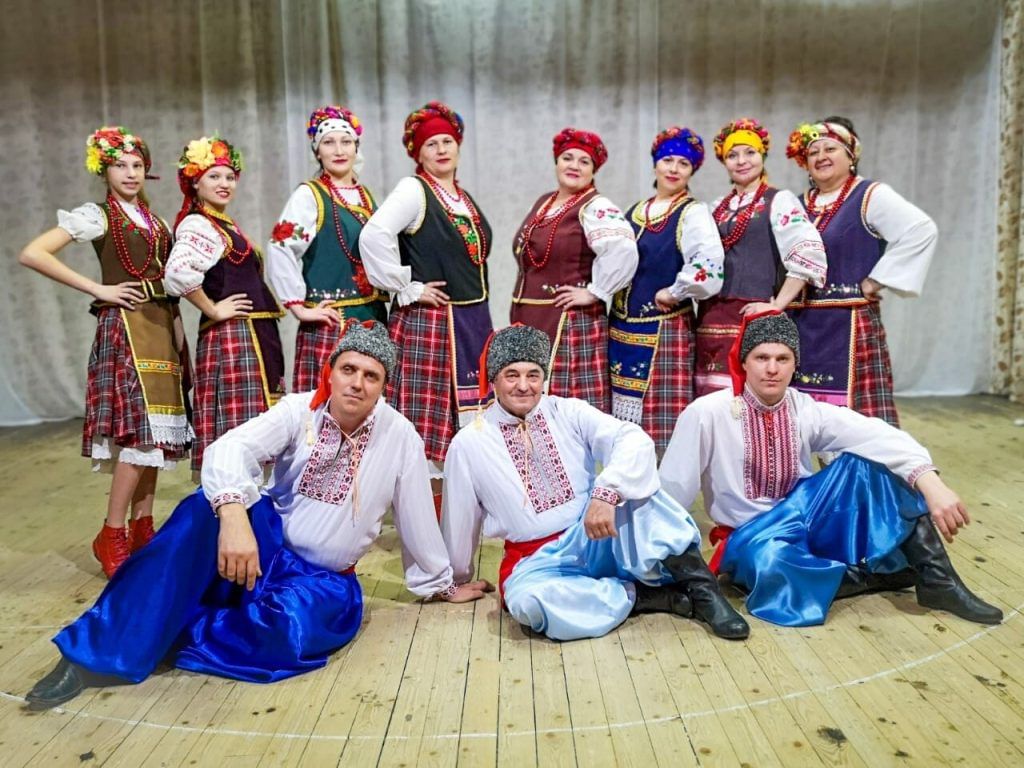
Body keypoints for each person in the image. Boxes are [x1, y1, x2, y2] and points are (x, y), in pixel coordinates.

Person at [24, 321, 492, 711]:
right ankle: (89, 654)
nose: (357, 382)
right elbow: (230, 448)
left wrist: (441, 583)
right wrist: (233, 517)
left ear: (383, 387)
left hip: (323, 582)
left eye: (371, 376)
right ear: (330, 372)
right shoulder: (298, 411)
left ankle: (159, 625)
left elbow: (416, 517)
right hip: (262, 551)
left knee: (286, 631)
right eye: (348, 369)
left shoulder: (400, 436)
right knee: (201, 509)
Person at [660, 310, 1003, 628]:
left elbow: (878, 434)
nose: (772, 369)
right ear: (743, 362)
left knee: (871, 462)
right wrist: (663, 561)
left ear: (795, 364)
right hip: (752, 536)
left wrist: (931, 484)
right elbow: (673, 490)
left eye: (783, 358)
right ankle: (872, 576)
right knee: (773, 561)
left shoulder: (805, 408)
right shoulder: (707, 412)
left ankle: (938, 581)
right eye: (761, 358)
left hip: (804, 516)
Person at [441, 324, 749, 642]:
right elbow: (459, 518)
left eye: (533, 375)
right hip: (536, 563)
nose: (523, 386)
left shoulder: (568, 412)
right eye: (511, 375)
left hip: (595, 537)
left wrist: (606, 493)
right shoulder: (469, 443)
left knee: (643, 498)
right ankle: (646, 597)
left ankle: (705, 593)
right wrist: (453, 581)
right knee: (530, 604)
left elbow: (632, 439)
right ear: (493, 379)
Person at [18, 126, 192, 578]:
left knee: (159, 437)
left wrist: (179, 337)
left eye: (137, 165)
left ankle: (142, 529)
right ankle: (111, 532)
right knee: (139, 436)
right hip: (125, 331)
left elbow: (170, 288)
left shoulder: (158, 223)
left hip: (160, 327)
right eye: (120, 165)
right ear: (104, 170)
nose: (130, 173)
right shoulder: (97, 217)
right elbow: (34, 253)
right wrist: (99, 289)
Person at [359, 101, 493, 505]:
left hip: (470, 319)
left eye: (447, 141)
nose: (441, 149)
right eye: (431, 144)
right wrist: (407, 286)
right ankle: (425, 515)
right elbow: (375, 234)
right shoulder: (414, 190)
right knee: (428, 421)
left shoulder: (460, 196)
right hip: (431, 323)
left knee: (464, 423)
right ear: (418, 153)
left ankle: (457, 511)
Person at [784, 117, 938, 426]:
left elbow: (921, 230)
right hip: (801, 322)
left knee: (856, 420)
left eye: (830, 149)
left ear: (850, 155)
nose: (821, 156)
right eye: (813, 151)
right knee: (801, 414)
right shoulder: (797, 204)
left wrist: (875, 281)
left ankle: (856, 460)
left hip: (850, 321)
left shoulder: (869, 195)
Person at [164, 135, 286, 473]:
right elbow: (177, 272)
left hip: (252, 334)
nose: (224, 183)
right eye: (214, 176)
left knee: (257, 422)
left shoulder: (222, 222)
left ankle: (253, 498)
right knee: (241, 424)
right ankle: (235, 497)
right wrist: (213, 309)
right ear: (195, 182)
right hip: (235, 338)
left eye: (230, 176)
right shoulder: (199, 223)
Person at [609, 126, 724, 453]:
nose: (674, 169)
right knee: (622, 425)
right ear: (655, 164)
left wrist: (675, 291)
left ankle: (662, 483)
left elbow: (710, 264)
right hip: (621, 329)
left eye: (683, 164)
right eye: (668, 160)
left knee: (661, 425)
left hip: (664, 331)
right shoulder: (635, 211)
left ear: (692, 171)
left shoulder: (692, 212)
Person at [695, 117, 826, 396]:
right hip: (711, 314)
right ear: (724, 161)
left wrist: (777, 305)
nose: (742, 161)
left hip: (751, 314)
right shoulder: (717, 207)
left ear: (762, 156)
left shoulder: (779, 200)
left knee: (744, 395)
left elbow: (807, 251)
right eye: (732, 155)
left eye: (750, 152)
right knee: (709, 396)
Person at [510, 128, 638, 413]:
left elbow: (623, 250)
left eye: (584, 161)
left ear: (594, 170)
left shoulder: (595, 206)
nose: (574, 166)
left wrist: (596, 292)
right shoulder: (545, 202)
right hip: (530, 316)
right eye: (567, 158)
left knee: (565, 405)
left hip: (568, 321)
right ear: (556, 162)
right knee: (529, 399)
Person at [266, 105, 387, 392]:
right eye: (329, 142)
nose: (339, 150)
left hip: (372, 315)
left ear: (356, 147)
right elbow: (281, 245)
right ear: (317, 151)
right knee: (331, 401)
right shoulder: (310, 195)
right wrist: (298, 307)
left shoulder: (364, 195)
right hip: (333, 320)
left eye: (346, 142)